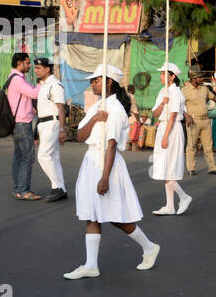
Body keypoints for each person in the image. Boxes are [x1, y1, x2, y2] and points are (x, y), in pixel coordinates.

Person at [62, 65, 160, 278]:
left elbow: (112, 145)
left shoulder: (115, 109)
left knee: (115, 216)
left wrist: (105, 177)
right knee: (92, 214)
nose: (92, 84)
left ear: (108, 82)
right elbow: (79, 136)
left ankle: (149, 247)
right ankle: (90, 265)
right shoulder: (99, 106)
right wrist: (96, 119)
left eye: (96, 80)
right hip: (91, 160)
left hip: (107, 163)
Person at [150, 63, 190, 215]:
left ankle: (184, 196)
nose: (161, 76)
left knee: (169, 167)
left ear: (172, 76)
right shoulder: (163, 91)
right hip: (163, 127)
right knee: (164, 166)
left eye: (163, 74)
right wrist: (162, 103)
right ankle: (170, 206)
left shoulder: (176, 92)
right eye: (160, 74)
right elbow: (155, 113)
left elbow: (173, 115)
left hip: (172, 129)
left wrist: (166, 135)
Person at [5, 53, 43, 200]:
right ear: (20, 63)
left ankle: (18, 189)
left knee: (19, 156)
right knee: (27, 156)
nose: (29, 66)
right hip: (22, 123)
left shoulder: (16, 78)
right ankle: (23, 190)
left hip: (19, 122)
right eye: (27, 63)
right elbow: (34, 94)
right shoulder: (17, 80)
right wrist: (41, 81)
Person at [33, 57, 67, 202]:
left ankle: (57, 187)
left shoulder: (55, 85)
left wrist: (62, 129)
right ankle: (61, 188)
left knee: (43, 155)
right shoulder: (43, 85)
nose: (35, 70)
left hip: (52, 123)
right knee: (53, 158)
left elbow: (61, 108)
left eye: (38, 68)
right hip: (43, 123)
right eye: (35, 68)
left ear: (47, 69)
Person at [183, 72, 216, 175]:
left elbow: (214, 98)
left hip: (206, 120)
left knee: (208, 146)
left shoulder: (204, 89)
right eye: (200, 77)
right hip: (193, 121)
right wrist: (186, 116)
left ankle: (212, 168)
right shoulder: (185, 91)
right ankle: (191, 168)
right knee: (191, 146)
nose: (202, 79)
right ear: (193, 79)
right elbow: (178, 105)